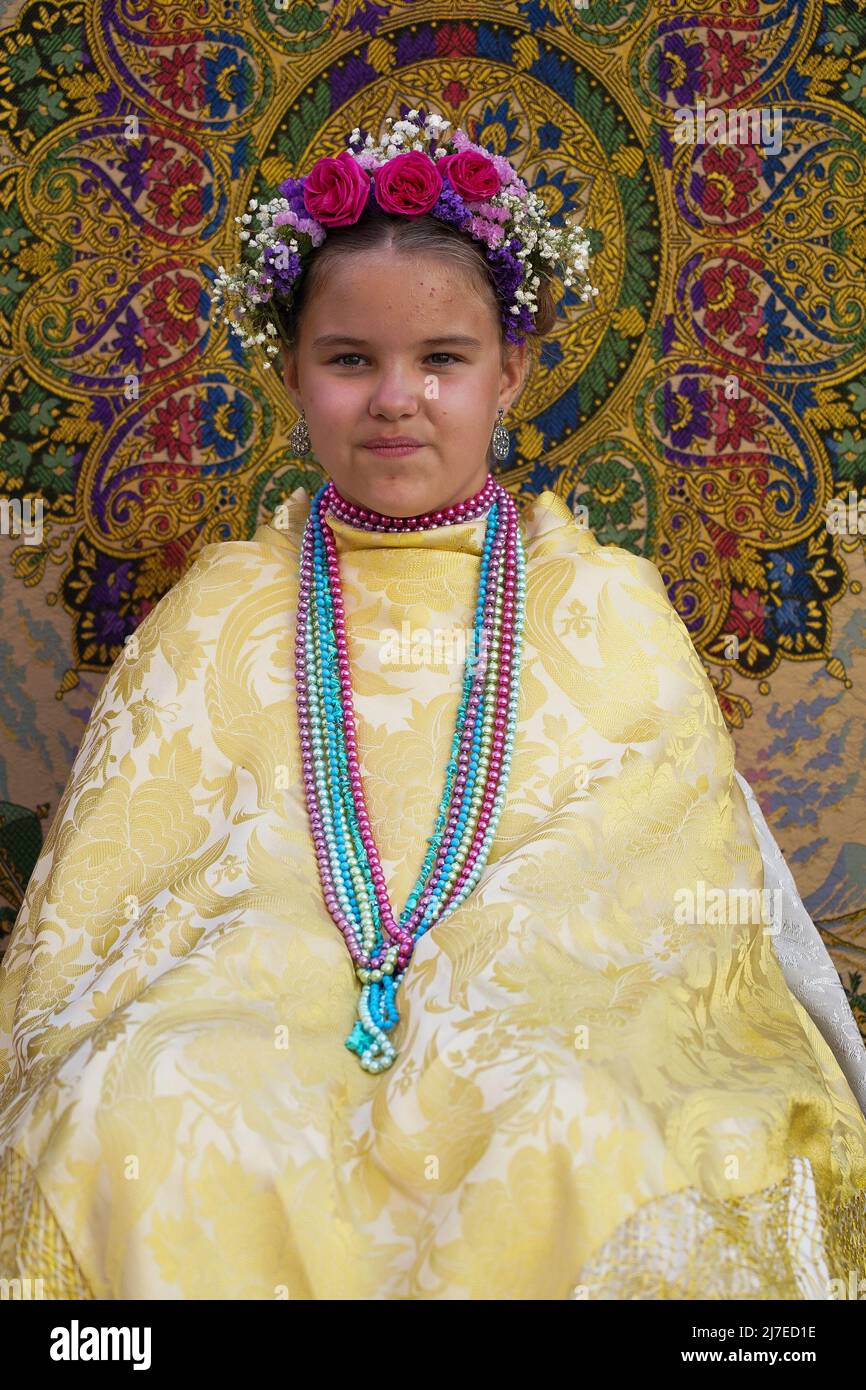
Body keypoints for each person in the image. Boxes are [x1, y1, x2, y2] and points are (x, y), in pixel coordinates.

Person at [1, 108, 865, 1301]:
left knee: (586, 1126)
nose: (395, 399)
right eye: (349, 359)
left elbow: (656, 893)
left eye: (441, 360)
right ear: (291, 369)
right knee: (125, 1105)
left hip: (551, 996)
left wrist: (472, 996)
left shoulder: (603, 605)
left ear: (510, 366)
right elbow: (113, 906)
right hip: (249, 991)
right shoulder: (220, 608)